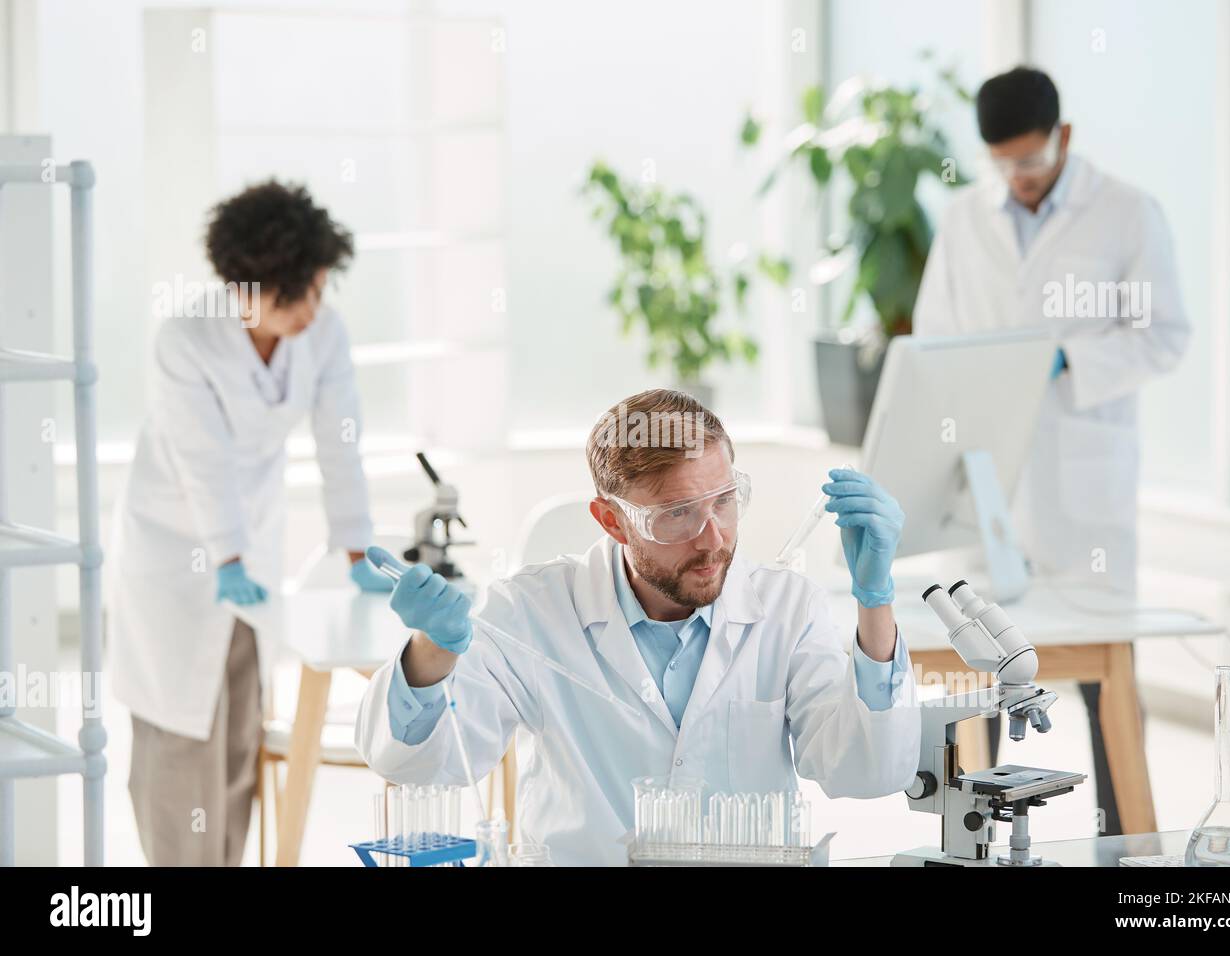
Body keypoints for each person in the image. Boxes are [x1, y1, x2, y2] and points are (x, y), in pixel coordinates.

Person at [356, 389, 921, 865]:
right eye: (676, 514)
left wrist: (876, 600)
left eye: (724, 501)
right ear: (612, 521)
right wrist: (432, 649)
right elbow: (427, 766)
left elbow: (868, 769)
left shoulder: (786, 607)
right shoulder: (532, 613)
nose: (713, 538)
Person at [913, 67, 1191, 833]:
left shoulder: (1130, 213)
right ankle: (971, 842)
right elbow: (934, 338)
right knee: (980, 676)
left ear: (1063, 138)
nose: (1019, 179)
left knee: (1103, 679)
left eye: (1030, 162)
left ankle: (1123, 843)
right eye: (1003, 164)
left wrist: (1070, 360)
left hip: (1083, 488)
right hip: (986, 481)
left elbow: (1167, 335)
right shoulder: (966, 219)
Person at [107, 181, 394, 866]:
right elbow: (201, 461)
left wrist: (357, 548)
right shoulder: (186, 340)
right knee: (182, 731)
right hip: (176, 552)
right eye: (298, 294)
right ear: (248, 288)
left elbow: (338, 438)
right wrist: (226, 558)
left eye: (320, 290)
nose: (311, 309)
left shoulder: (321, 333)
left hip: (250, 550)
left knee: (240, 723)